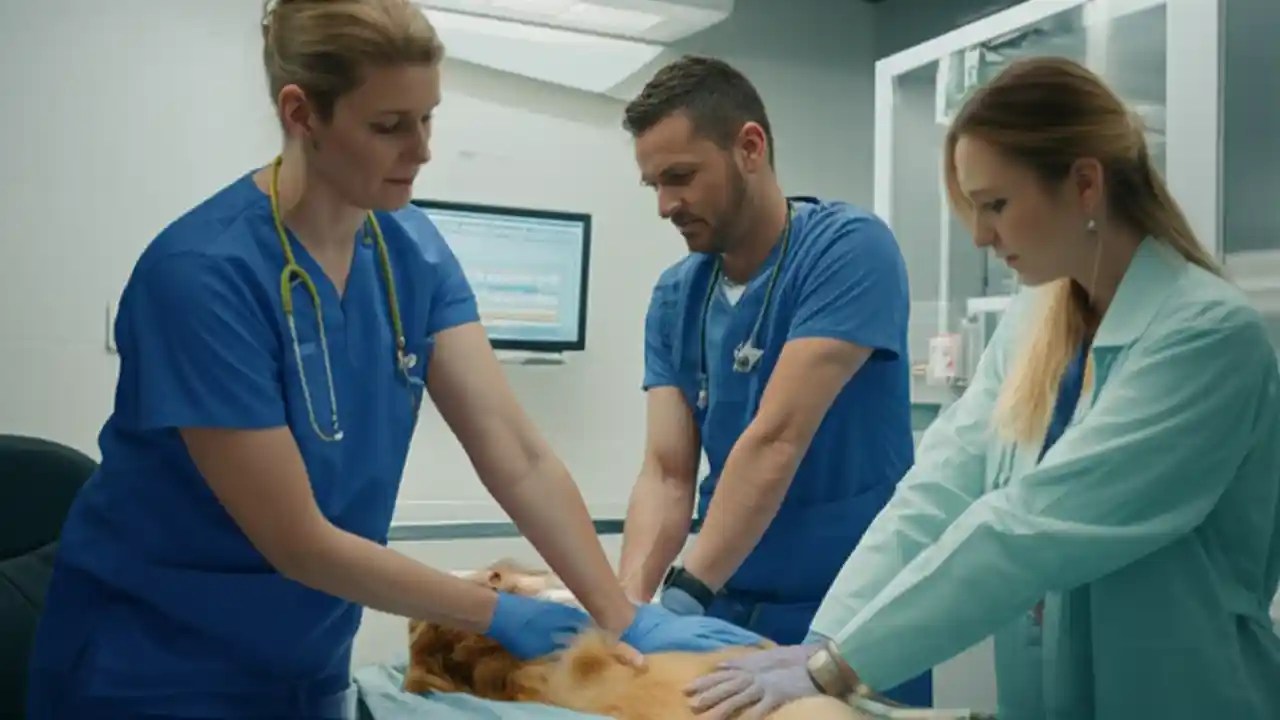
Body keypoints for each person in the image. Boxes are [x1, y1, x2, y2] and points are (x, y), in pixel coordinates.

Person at [23, 2, 766, 718]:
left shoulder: (411, 251)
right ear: (301, 113)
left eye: (428, 117)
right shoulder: (200, 276)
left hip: (304, 665)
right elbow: (298, 540)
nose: (422, 150)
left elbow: (516, 454)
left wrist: (618, 611)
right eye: (389, 126)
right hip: (153, 670)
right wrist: (497, 614)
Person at [684, 56, 1280, 720]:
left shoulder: (1208, 337)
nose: (979, 234)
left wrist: (837, 668)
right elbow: (940, 485)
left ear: (1085, 184)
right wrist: (825, 642)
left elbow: (1035, 526)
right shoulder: (1038, 318)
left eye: (995, 204)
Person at [612, 55, 932, 708]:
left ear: (749, 147)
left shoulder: (847, 250)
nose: (667, 205)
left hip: (848, 618)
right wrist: (630, 608)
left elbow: (777, 439)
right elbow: (669, 471)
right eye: (654, 186)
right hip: (724, 610)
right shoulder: (678, 295)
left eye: (681, 177)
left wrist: (681, 597)